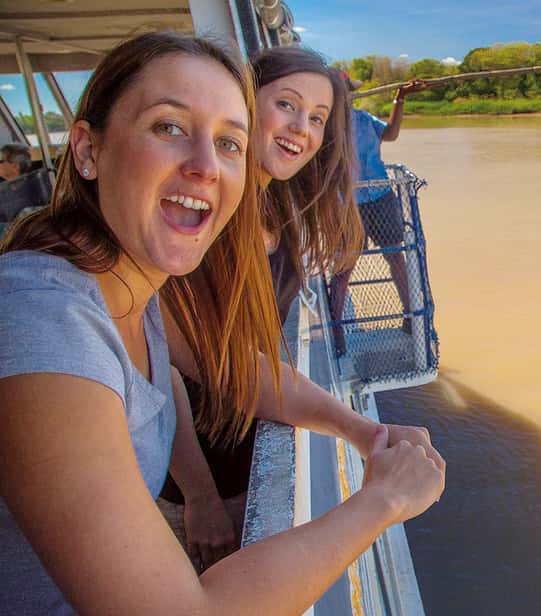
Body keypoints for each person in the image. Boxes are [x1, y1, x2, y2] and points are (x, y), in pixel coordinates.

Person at [0, 32, 444, 614]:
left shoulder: (133, 284)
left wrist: (362, 432)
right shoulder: (43, 318)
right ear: (87, 149)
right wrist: (383, 501)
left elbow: (236, 368)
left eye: (229, 143)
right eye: (169, 127)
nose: (206, 166)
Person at [155, 45, 383, 571]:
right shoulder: (199, 217)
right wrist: (201, 497)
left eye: (318, 117)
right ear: (242, 104)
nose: (302, 127)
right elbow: (162, 367)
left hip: (248, 450)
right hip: (194, 479)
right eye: (286, 104)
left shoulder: (275, 207)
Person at [328, 74, 429, 356]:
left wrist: (400, 98)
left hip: (380, 196)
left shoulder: (362, 118)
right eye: (344, 92)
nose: (348, 96)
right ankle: (336, 326)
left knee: (395, 254)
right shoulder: (324, 125)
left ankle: (409, 315)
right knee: (344, 267)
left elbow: (391, 134)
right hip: (346, 203)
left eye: (349, 92)